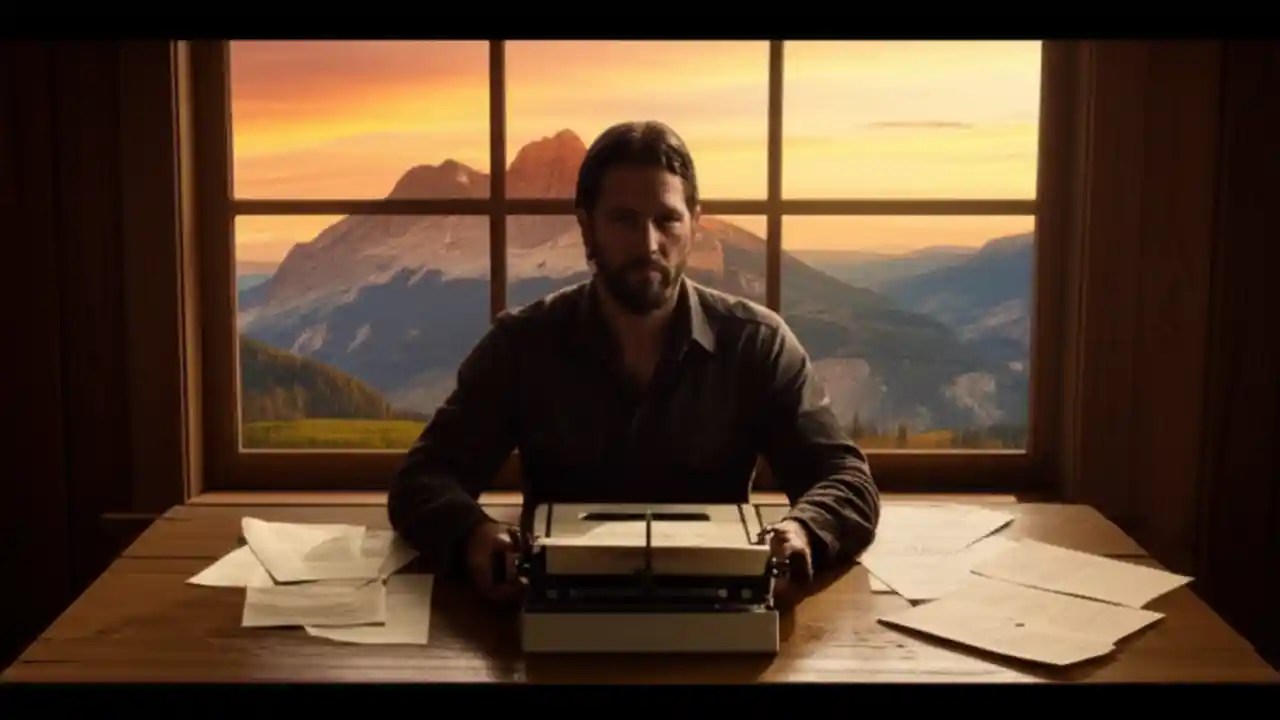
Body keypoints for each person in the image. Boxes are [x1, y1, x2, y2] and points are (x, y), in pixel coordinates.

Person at [387, 120, 879, 607]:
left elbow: (847, 479)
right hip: (557, 606)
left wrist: (802, 531)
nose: (648, 244)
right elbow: (423, 478)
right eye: (624, 220)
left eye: (666, 220)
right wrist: (474, 534)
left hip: (720, 605)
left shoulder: (758, 344)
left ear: (694, 224)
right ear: (587, 225)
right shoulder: (521, 346)